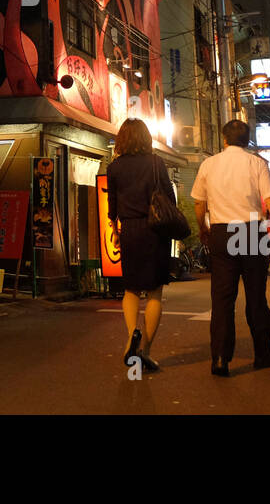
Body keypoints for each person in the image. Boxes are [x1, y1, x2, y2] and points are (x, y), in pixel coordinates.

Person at [191, 119, 270, 377]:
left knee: (222, 300)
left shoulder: (209, 164)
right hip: (252, 231)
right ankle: (263, 355)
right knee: (256, 296)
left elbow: (199, 203)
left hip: (221, 231)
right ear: (248, 140)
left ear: (224, 139)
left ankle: (220, 359)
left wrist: (203, 228)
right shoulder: (257, 163)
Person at [107, 118, 172, 372]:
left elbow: (112, 207)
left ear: (122, 139)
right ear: (146, 138)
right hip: (155, 230)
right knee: (155, 292)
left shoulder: (115, 168)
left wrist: (114, 230)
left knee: (131, 290)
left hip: (130, 230)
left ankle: (132, 333)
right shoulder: (156, 163)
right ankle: (144, 350)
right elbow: (170, 196)